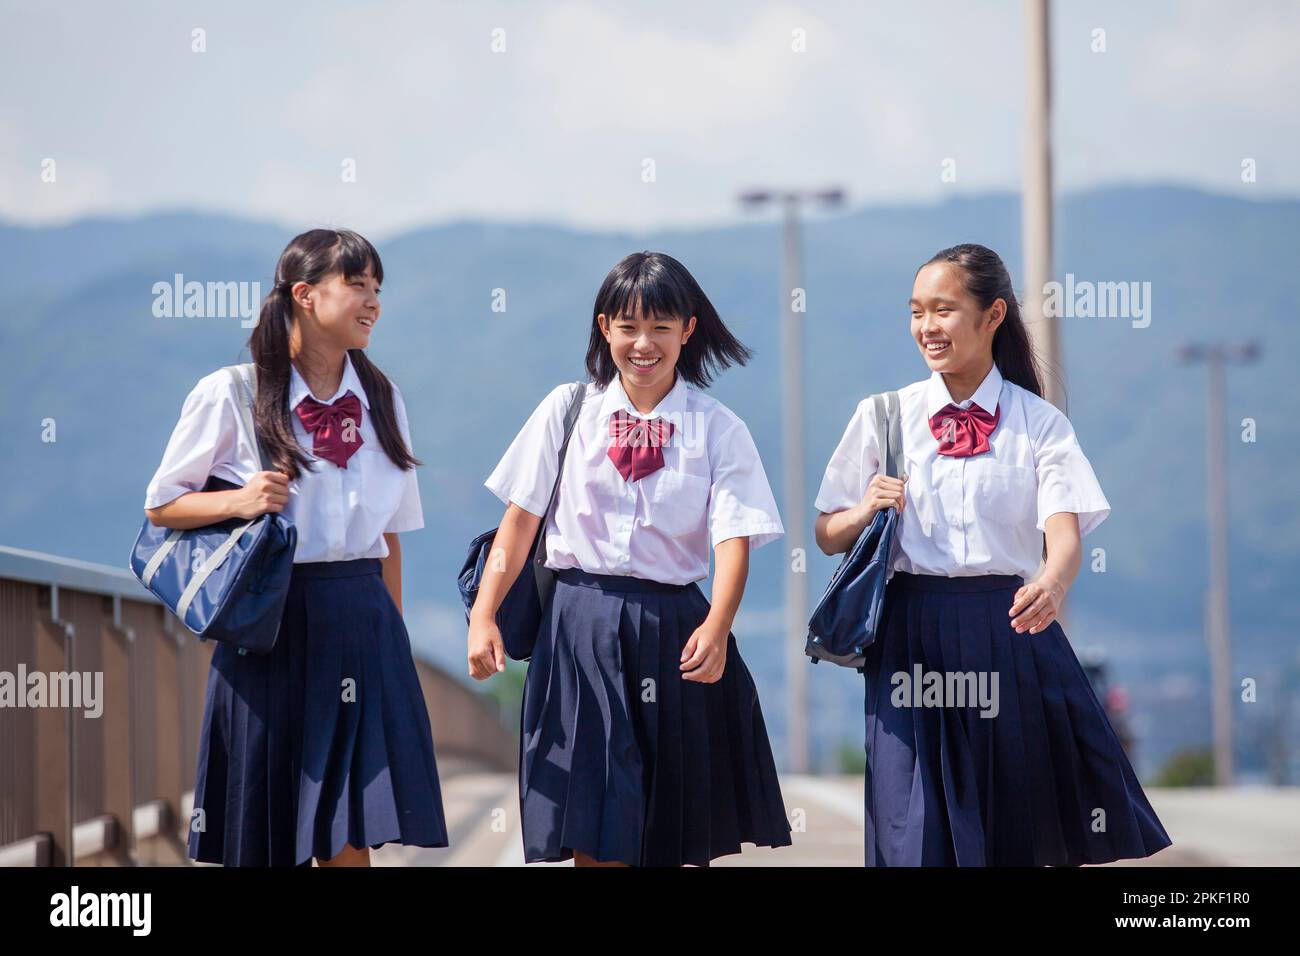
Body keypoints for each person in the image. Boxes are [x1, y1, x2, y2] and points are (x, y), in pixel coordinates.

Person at [814, 242, 1173, 866]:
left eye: (943, 310)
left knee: (1007, 826)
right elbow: (826, 533)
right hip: (909, 634)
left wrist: (1052, 584)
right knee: (910, 828)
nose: (927, 326)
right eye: (916, 311)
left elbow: (1064, 535)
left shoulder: (1039, 423)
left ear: (993, 315)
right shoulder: (883, 416)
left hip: (1007, 630)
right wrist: (865, 508)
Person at [470, 251, 792, 867]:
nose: (644, 344)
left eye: (660, 328)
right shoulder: (568, 410)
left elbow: (733, 539)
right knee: (594, 826)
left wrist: (718, 626)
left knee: (664, 831)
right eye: (628, 327)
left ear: (687, 330)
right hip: (577, 630)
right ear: (604, 327)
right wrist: (484, 615)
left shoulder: (719, 429)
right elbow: (519, 522)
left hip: (675, 633)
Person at [143, 228, 448, 867]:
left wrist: (393, 641)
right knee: (268, 834)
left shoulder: (382, 398)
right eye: (357, 285)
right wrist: (240, 501)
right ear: (305, 295)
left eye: (377, 288)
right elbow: (162, 505)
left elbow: (390, 537)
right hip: (270, 626)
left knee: (348, 833)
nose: (373, 302)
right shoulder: (232, 392)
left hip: (362, 623)